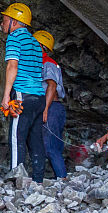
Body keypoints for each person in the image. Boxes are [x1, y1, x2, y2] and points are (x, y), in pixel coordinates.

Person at [0, 2, 47, 183]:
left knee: (16, 136)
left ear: (14, 21)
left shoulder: (14, 38)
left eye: (4, 20)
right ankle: (38, 179)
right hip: (39, 98)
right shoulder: (35, 42)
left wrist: (6, 96)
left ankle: (16, 178)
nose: (2, 24)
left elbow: (12, 66)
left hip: (22, 95)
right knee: (35, 139)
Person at [34, 30, 67, 179]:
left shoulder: (48, 63)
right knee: (51, 146)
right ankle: (59, 179)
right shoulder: (40, 63)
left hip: (52, 107)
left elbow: (51, 86)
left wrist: (45, 109)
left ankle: (62, 179)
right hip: (53, 108)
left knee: (50, 147)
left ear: (40, 46)